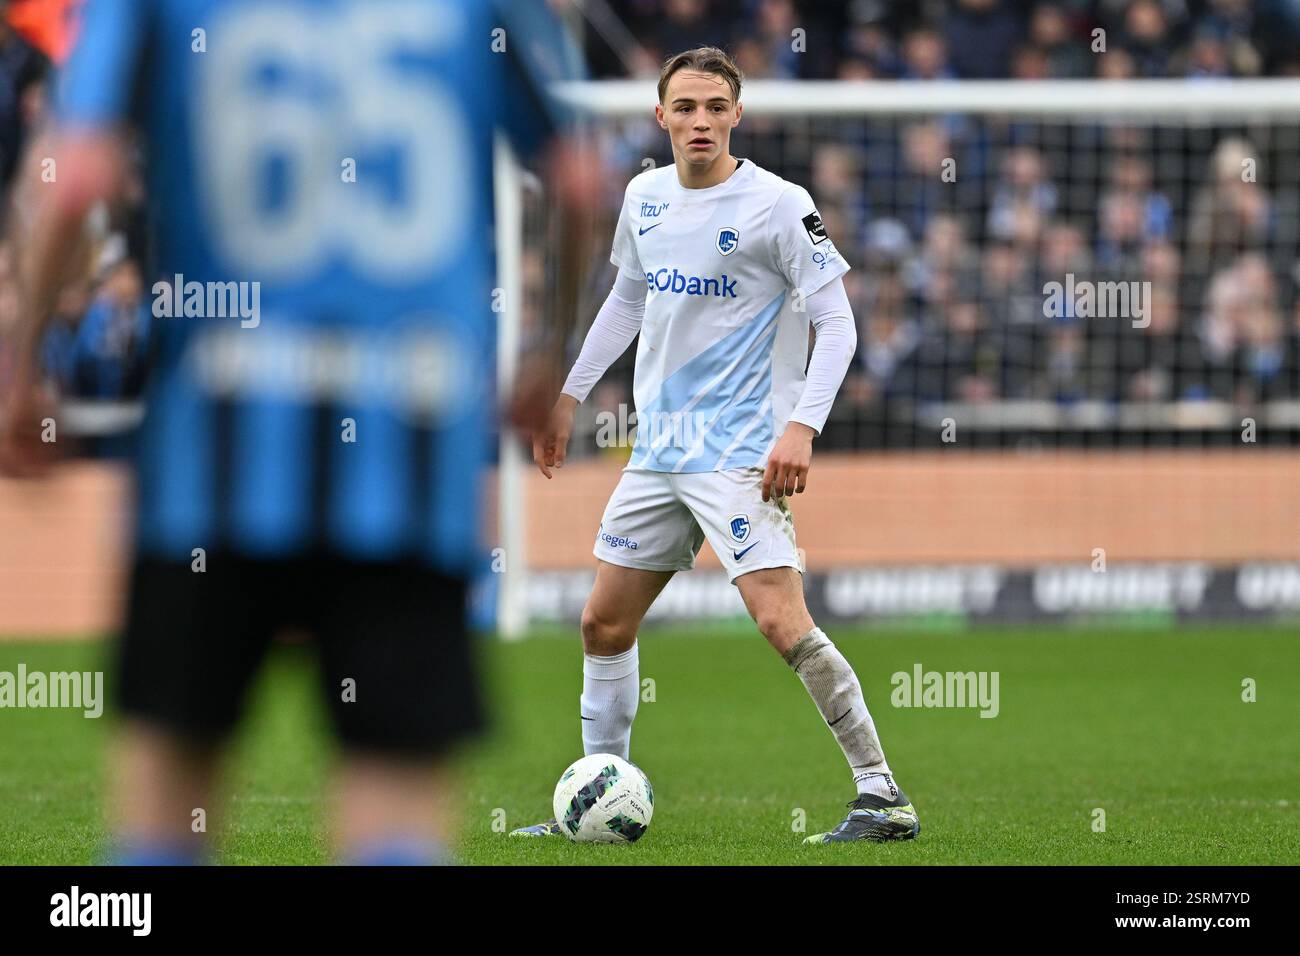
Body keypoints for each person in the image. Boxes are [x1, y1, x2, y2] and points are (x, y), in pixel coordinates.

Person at [0, 0, 592, 865]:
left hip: (206, 464)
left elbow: (76, 175)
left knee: (164, 818)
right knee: (394, 818)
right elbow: (578, 178)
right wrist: (547, 355)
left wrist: (24, 370)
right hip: (411, 460)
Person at [515, 46, 919, 844]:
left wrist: (802, 425)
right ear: (660, 117)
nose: (701, 121)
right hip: (659, 449)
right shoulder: (644, 198)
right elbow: (627, 301)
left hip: (741, 452)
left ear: (737, 115)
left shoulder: (778, 204)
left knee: (779, 622)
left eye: (715, 107)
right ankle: (599, 798)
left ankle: (882, 795)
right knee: (603, 624)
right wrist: (568, 395)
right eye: (686, 107)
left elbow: (837, 323)